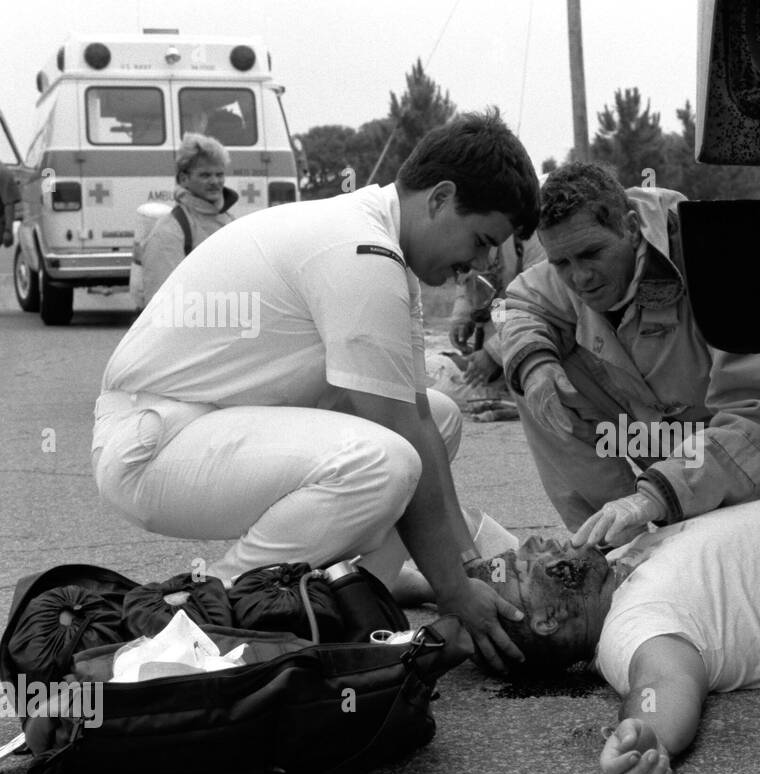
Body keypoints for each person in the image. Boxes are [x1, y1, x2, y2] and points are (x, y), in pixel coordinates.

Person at [92, 112, 538, 670]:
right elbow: (400, 438)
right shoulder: (360, 252)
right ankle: (214, 615)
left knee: (440, 418)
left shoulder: (379, 242)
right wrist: (455, 592)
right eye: (481, 240)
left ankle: (346, 598)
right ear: (441, 198)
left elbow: (420, 418)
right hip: (154, 445)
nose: (478, 263)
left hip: (204, 422)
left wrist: (468, 572)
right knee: (385, 462)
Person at [496, 162, 760, 550]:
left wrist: (656, 495)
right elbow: (516, 306)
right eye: (562, 263)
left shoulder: (721, 258)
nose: (580, 278)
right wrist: (535, 366)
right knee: (536, 372)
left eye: (592, 254)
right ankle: (609, 542)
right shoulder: (570, 257)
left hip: (752, 466)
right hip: (660, 447)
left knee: (732, 557)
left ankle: (698, 527)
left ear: (631, 228)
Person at [469, 492, 760, 774]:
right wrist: (646, 736)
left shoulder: (612, 566)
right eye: (522, 568)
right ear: (547, 620)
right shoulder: (628, 630)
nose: (531, 543)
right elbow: (663, 681)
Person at [139, 133, 239, 305]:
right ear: (184, 179)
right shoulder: (169, 231)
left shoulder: (230, 221)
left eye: (219, 174)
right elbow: (163, 306)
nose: (215, 181)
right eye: (205, 175)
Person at [449, 233, 546, 386]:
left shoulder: (531, 240)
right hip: (499, 307)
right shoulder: (468, 231)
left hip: (527, 330)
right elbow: (465, 278)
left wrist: (493, 353)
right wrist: (461, 317)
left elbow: (539, 307)